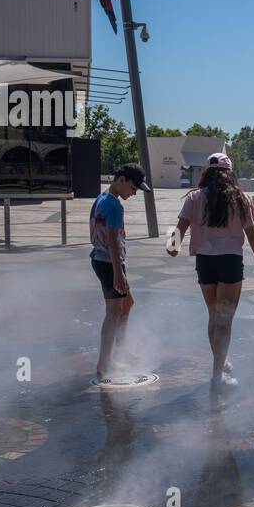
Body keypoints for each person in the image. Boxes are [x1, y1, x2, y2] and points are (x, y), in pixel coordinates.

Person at [167, 153, 254, 390]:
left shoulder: (193, 197)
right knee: (224, 321)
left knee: (214, 316)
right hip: (230, 262)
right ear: (229, 172)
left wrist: (171, 247)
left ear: (207, 172)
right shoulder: (240, 198)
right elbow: (252, 235)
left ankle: (220, 364)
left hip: (205, 262)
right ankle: (217, 376)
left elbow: (178, 229)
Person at [90, 163, 150, 382]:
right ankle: (105, 363)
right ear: (122, 179)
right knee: (114, 312)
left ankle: (119, 352)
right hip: (109, 262)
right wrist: (118, 272)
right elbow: (113, 240)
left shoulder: (101, 199)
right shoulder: (115, 206)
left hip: (102, 260)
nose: (133, 193)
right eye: (133, 188)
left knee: (127, 304)